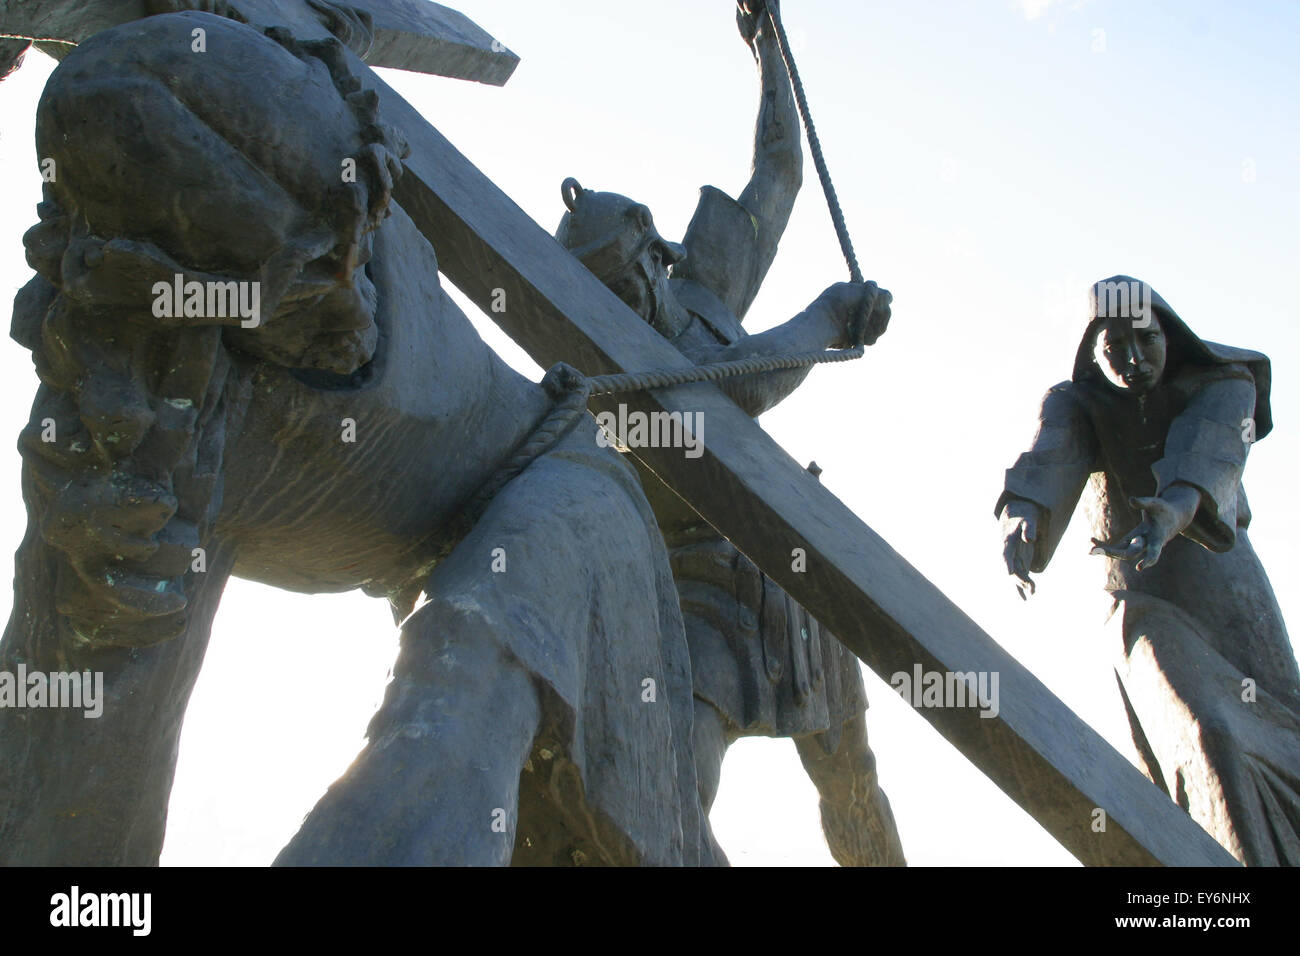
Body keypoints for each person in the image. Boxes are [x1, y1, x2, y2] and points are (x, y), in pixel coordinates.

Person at [554, 0, 905, 866]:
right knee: (673, 776)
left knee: (851, 776)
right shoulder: (597, 378)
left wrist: (769, 49)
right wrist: (827, 318)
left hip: (789, 569)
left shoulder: (706, 294)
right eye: (611, 284)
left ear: (657, 249)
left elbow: (778, 173)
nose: (633, 291)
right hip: (691, 594)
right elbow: (733, 395)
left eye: (637, 266)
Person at [998, 275, 1300, 866]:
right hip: (1142, 600)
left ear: (1168, 331)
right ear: (1093, 352)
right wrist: (1023, 516)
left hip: (1223, 585)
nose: (1134, 360)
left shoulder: (1222, 383)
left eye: (1146, 340)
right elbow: (1051, 454)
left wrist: (1173, 511)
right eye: (1116, 349)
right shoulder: (1076, 403)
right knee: (1209, 728)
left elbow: (1210, 453)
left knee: (1282, 725)